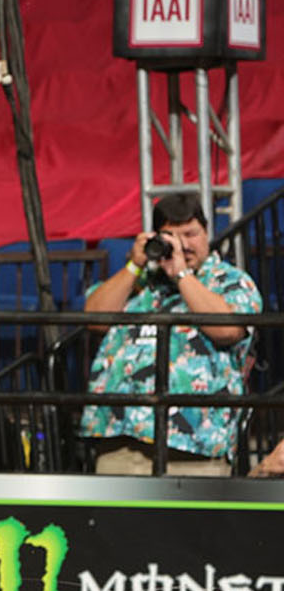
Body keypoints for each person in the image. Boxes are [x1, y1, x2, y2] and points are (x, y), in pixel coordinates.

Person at [80, 193, 261, 475]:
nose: (182, 245)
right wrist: (134, 264)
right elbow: (94, 318)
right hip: (122, 437)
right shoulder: (139, 283)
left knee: (194, 520)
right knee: (115, 519)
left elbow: (227, 329)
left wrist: (182, 275)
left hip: (194, 443)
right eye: (171, 236)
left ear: (206, 232)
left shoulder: (229, 280)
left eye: (190, 234)